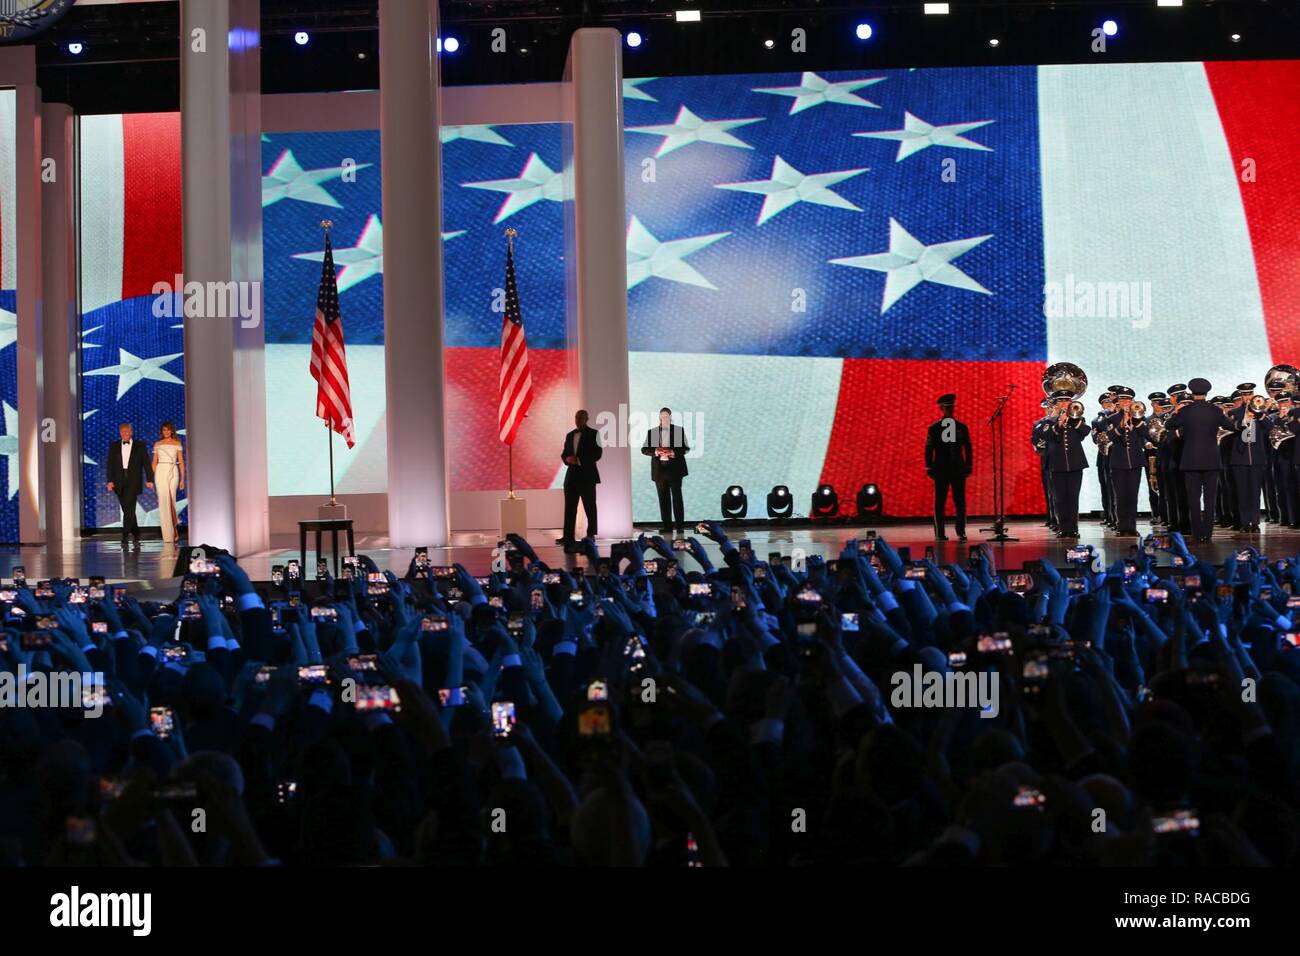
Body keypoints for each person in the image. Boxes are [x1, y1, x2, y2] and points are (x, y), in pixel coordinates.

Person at [1169, 377, 1230, 543]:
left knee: (1193, 499)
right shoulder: (1215, 411)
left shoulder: (1186, 411)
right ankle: (1207, 533)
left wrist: (1177, 412)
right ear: (1207, 392)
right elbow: (1231, 426)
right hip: (1211, 461)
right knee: (1210, 499)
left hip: (1191, 461)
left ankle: (1197, 533)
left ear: (1191, 392)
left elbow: (1170, 425)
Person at [1097, 387, 1146, 536]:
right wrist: (1121, 424)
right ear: (1118, 401)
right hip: (1118, 462)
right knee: (1121, 496)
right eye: (1123, 400)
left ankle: (1131, 527)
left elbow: (1146, 434)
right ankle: (1122, 527)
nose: (1126, 402)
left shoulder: (1140, 417)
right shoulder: (1111, 418)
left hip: (1135, 462)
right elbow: (1110, 437)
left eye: (1128, 400)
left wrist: (1136, 421)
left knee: (1133, 495)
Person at [923, 393, 972, 541]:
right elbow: (929, 449)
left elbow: (968, 447)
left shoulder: (961, 427)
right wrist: (929, 467)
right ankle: (939, 533)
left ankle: (961, 531)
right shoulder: (935, 428)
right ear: (942, 408)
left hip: (957, 468)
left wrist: (968, 465)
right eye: (947, 407)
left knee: (960, 501)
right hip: (941, 469)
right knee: (939, 501)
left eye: (952, 406)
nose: (951, 409)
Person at [1045, 390, 1090, 538]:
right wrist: (1058, 422)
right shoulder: (1050, 420)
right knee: (1060, 498)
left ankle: (1073, 528)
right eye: (1061, 401)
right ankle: (1063, 528)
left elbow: (1085, 432)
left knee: (1073, 497)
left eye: (1067, 401)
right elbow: (1047, 436)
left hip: (1075, 463)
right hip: (1057, 464)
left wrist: (1071, 419)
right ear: (1057, 403)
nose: (1064, 404)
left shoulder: (1078, 418)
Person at [560, 409, 602, 553]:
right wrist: (567, 459)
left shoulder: (595, 434)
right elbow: (564, 453)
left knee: (590, 507)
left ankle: (591, 535)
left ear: (586, 419)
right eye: (576, 417)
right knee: (569, 509)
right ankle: (568, 537)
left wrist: (579, 459)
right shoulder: (570, 435)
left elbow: (598, 454)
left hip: (587, 476)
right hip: (571, 477)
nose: (578, 420)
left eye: (581, 418)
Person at [642, 407, 689, 534]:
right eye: (662, 416)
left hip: (675, 469)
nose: (665, 418)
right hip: (659, 470)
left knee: (677, 498)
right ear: (659, 417)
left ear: (670, 417)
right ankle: (667, 526)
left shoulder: (678, 431)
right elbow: (644, 449)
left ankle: (679, 526)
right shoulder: (652, 432)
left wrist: (672, 451)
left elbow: (685, 448)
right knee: (663, 499)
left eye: (667, 416)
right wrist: (656, 451)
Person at [105, 422, 154, 547]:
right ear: (120, 433)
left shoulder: (140, 446)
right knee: (127, 509)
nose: (125, 434)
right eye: (123, 432)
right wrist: (110, 481)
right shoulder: (114, 446)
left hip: (133, 480)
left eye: (127, 432)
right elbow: (110, 465)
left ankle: (125, 535)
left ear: (131, 432)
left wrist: (150, 479)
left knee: (129, 509)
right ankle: (136, 532)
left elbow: (146, 463)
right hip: (119, 481)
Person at [1228, 386, 1267, 533]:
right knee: (1242, 492)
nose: (1248, 397)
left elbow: (1269, 427)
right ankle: (1245, 522)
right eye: (1244, 394)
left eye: (1249, 394)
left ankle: (1255, 522)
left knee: (1255, 491)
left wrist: (1261, 415)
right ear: (1241, 396)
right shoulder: (1235, 412)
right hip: (1240, 457)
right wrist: (1244, 420)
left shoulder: (1261, 412)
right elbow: (1231, 428)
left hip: (1257, 458)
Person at [152, 421, 185, 544]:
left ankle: (174, 529)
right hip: (161, 471)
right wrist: (152, 477)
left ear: (172, 431)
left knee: (171, 500)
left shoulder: (177, 443)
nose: (166, 432)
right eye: (164, 430)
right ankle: (168, 535)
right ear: (162, 431)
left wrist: (182, 479)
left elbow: (181, 462)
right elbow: (154, 462)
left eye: (168, 429)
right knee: (164, 502)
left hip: (173, 471)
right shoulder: (158, 444)